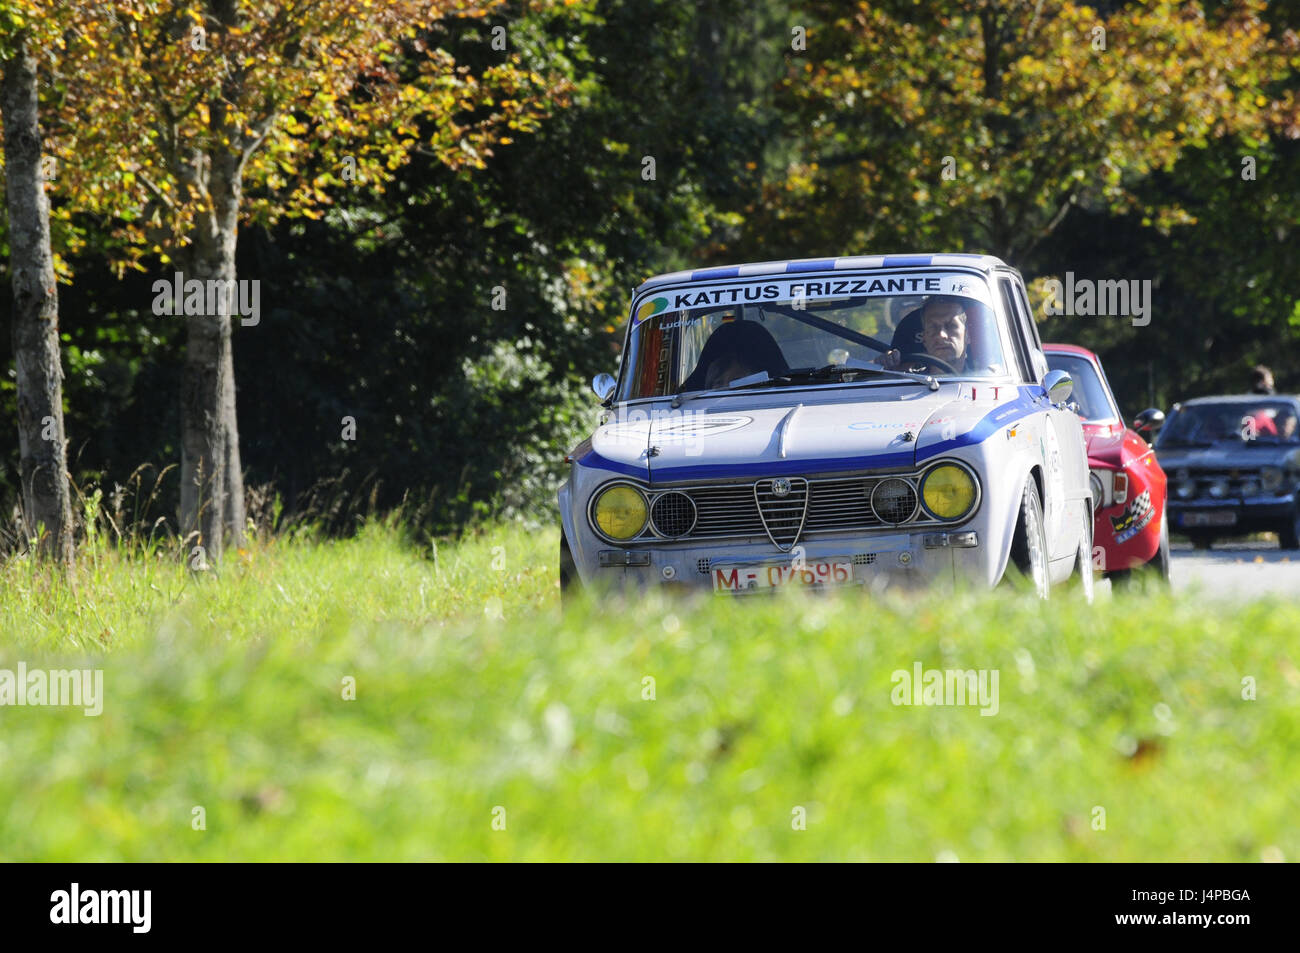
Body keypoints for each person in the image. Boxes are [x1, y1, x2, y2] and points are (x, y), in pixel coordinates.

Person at [681, 318, 789, 392]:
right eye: (719, 384)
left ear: (758, 381)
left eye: (737, 382)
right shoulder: (688, 408)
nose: (726, 388)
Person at [879, 295, 976, 373]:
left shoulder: (983, 387)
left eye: (950, 326)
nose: (941, 335)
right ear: (924, 338)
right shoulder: (901, 386)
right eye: (933, 327)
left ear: (967, 335)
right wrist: (885, 370)